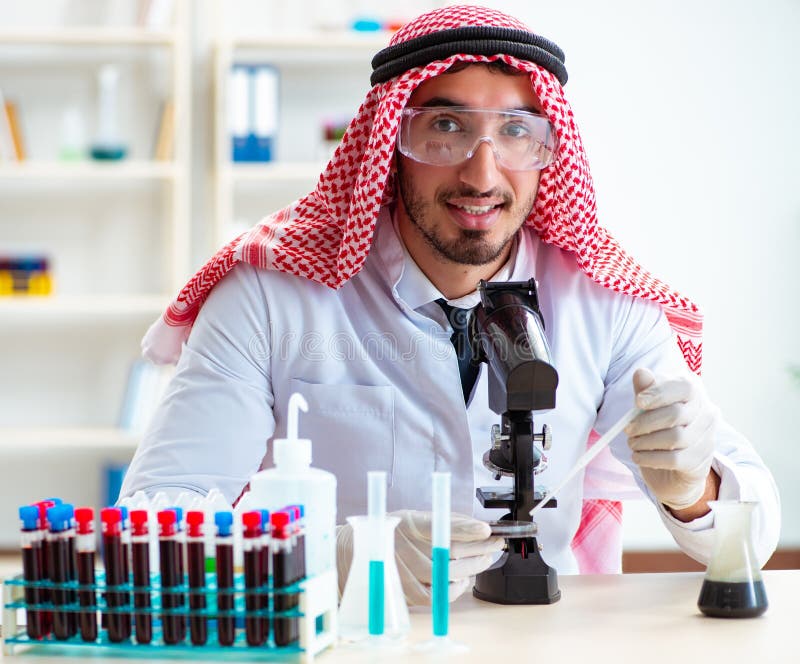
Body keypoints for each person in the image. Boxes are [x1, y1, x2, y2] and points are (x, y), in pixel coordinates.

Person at [120, 5, 780, 605]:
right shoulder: (269, 299)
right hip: (341, 640)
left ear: (547, 148)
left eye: (517, 131)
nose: (482, 174)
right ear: (391, 142)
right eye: (445, 127)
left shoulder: (603, 302)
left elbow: (752, 542)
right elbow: (148, 532)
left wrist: (696, 492)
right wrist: (333, 559)